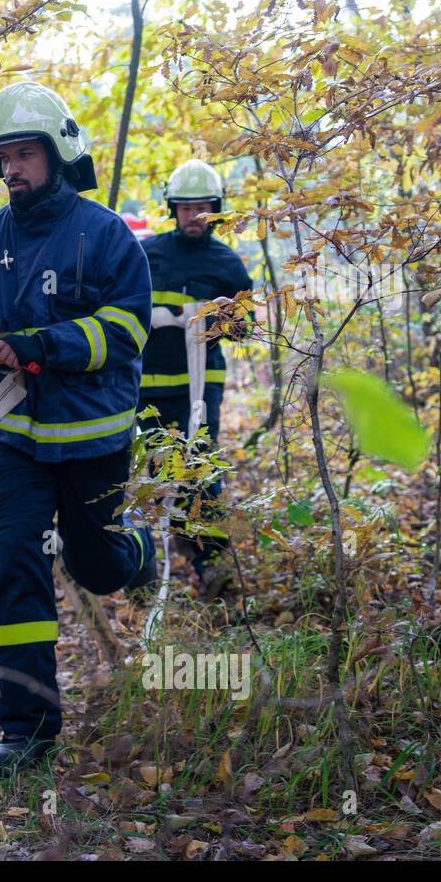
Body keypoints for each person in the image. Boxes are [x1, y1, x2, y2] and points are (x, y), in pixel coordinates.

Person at [0, 81, 155, 776]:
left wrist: (40, 346)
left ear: (58, 156)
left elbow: (125, 331)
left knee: (94, 566)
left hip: (95, 438)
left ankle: (135, 554)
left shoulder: (107, 235)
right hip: (18, 439)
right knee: (17, 566)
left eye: (24, 154)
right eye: (2, 158)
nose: (12, 170)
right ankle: (27, 730)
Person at [137, 158, 254, 600]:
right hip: (147, 388)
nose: (193, 216)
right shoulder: (146, 254)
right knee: (152, 472)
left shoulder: (226, 263)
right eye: (185, 208)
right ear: (173, 209)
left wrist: (218, 319)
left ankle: (212, 566)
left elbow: (246, 326)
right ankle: (145, 567)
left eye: (202, 207)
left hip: (201, 388)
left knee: (200, 471)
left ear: (216, 209)